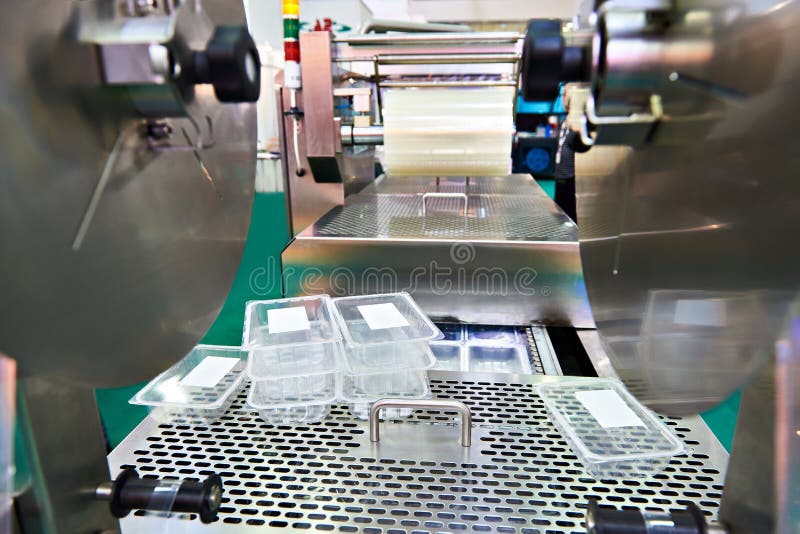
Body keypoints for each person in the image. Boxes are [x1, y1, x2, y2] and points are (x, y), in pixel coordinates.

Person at [554, 84, 578, 223]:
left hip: (573, 180)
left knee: (573, 218)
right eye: (563, 95)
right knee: (561, 218)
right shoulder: (564, 122)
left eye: (566, 95)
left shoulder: (580, 123)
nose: (564, 99)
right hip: (560, 177)